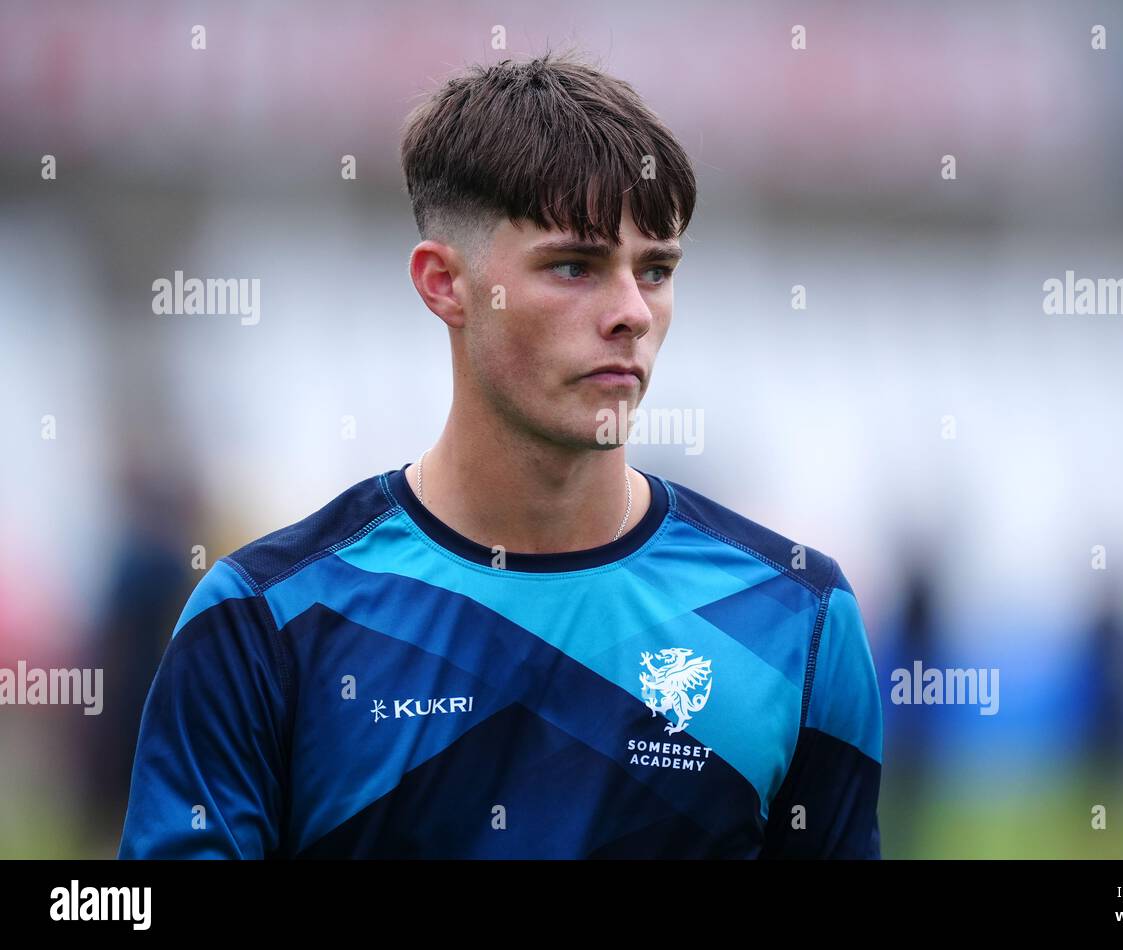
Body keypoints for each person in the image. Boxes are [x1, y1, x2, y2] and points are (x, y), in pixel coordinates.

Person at [118, 50, 883, 859]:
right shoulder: (264, 621)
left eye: (655, 270)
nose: (631, 311)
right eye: (575, 266)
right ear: (444, 284)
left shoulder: (797, 620)